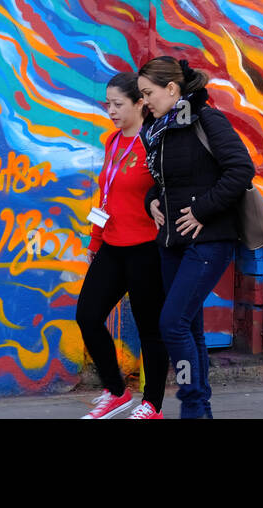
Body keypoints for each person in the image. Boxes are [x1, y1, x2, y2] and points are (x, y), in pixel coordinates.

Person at [140, 56, 254, 419]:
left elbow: (240, 170)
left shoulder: (207, 120)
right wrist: (152, 202)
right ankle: (200, 410)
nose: (145, 101)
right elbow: (162, 182)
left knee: (171, 323)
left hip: (210, 241)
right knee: (189, 327)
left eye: (149, 93)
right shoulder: (155, 129)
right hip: (172, 243)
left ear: (172, 89)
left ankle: (193, 408)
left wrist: (203, 209)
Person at [76, 72, 168, 420]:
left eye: (118, 104)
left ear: (140, 104)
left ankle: (152, 405)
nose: (111, 110)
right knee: (87, 315)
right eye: (108, 103)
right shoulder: (113, 141)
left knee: (149, 329)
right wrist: (95, 240)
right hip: (112, 245)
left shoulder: (153, 143)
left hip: (146, 248)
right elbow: (107, 195)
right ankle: (116, 391)